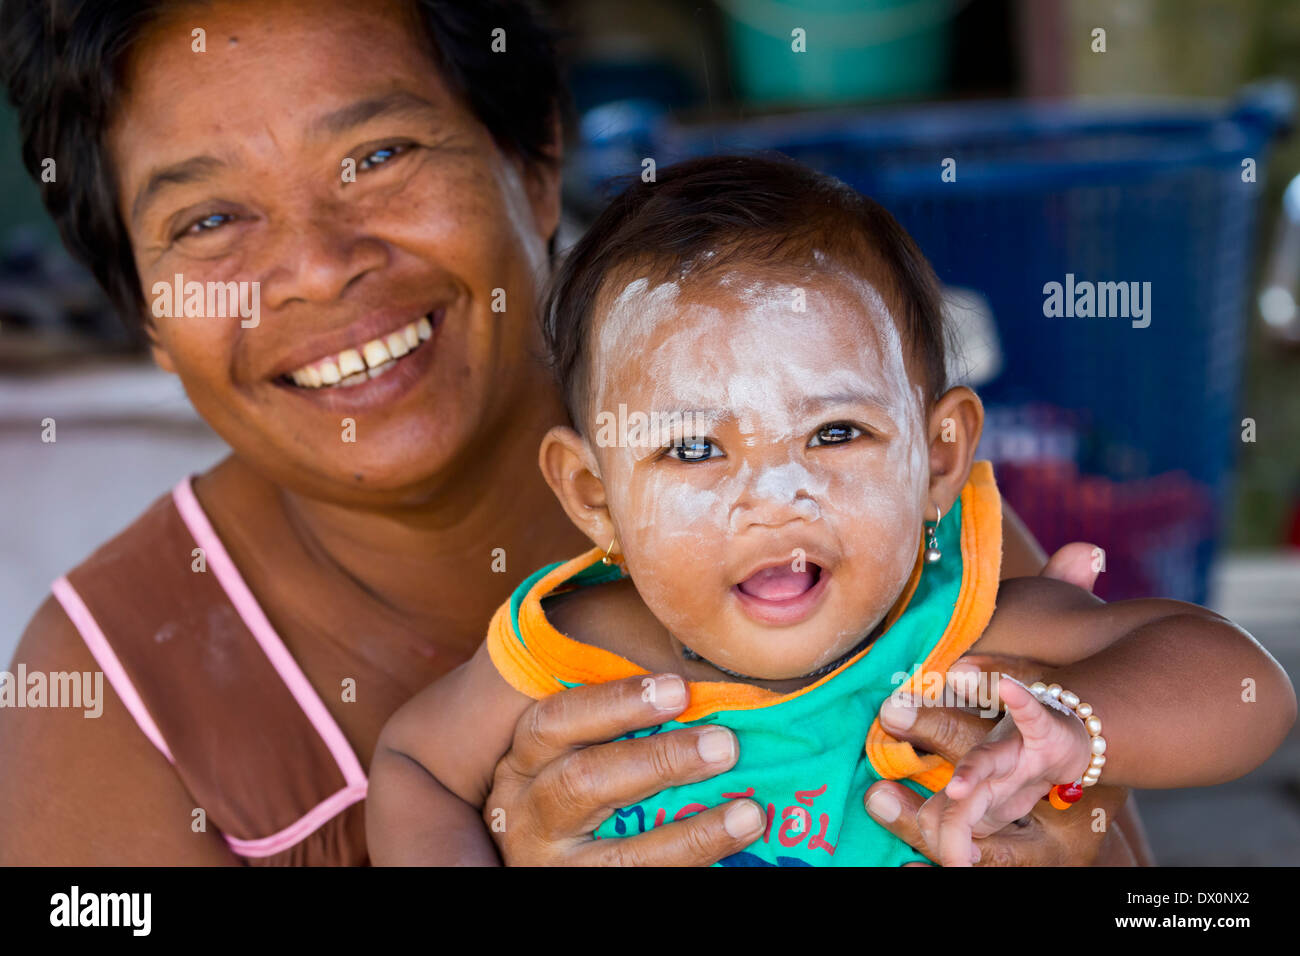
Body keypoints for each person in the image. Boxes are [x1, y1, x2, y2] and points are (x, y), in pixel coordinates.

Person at [0, 0, 1150, 865]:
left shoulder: (864, 506)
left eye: (379, 155)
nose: (317, 265)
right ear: (147, 311)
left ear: (534, 163)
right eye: (207, 219)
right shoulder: (107, 699)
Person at [367, 156, 1296, 866]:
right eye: (694, 448)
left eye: (835, 432)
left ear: (938, 458)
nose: (773, 497)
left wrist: (1080, 725)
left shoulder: (962, 633)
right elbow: (411, 765)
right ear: (591, 495)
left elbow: (1242, 686)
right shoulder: (571, 649)